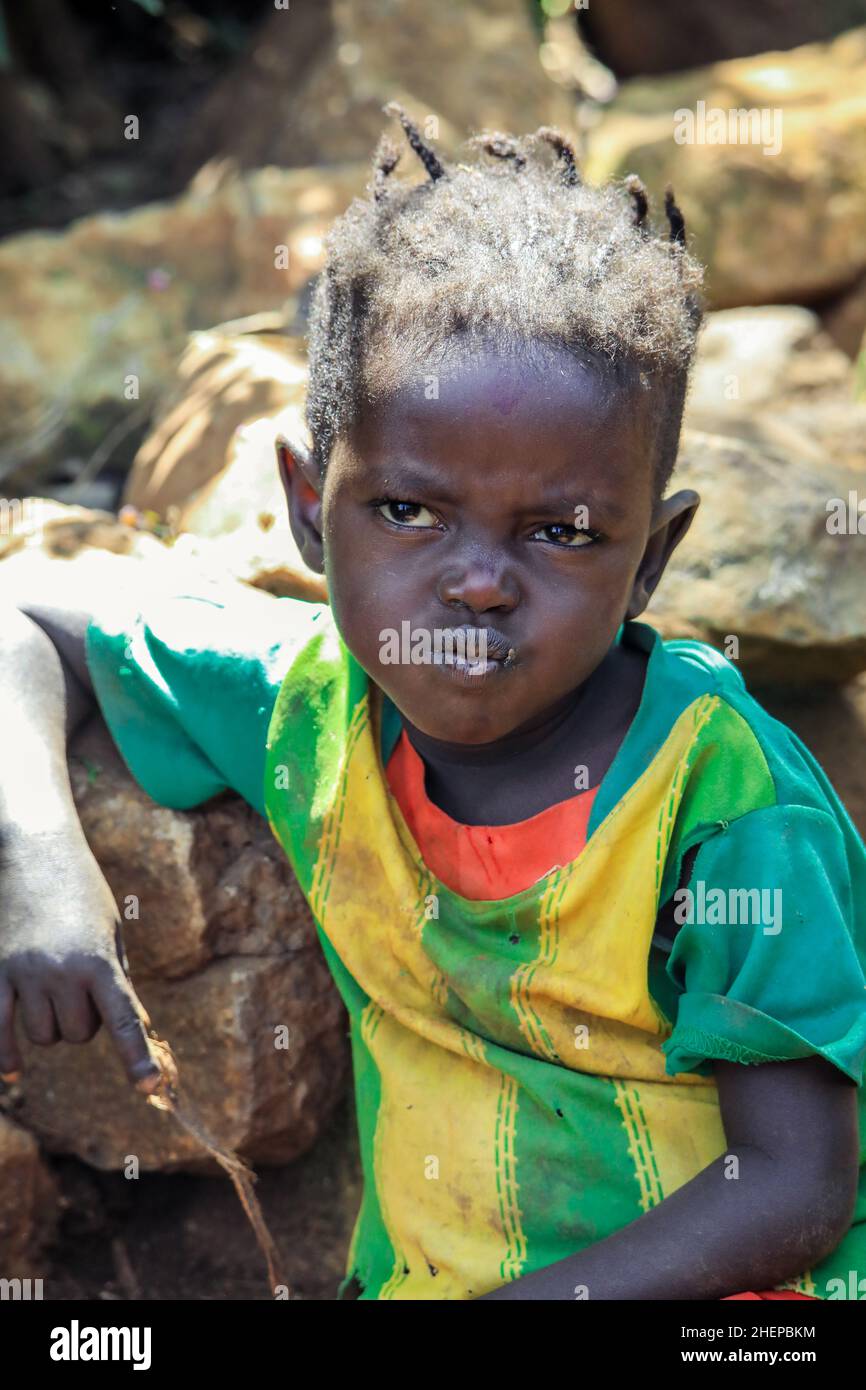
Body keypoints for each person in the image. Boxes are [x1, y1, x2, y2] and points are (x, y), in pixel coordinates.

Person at [1, 107, 864, 1301]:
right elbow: (24, 620)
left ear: (651, 559)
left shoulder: (722, 804)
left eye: (561, 532)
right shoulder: (311, 711)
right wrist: (44, 868)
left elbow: (793, 1185)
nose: (475, 581)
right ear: (311, 507)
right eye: (406, 510)